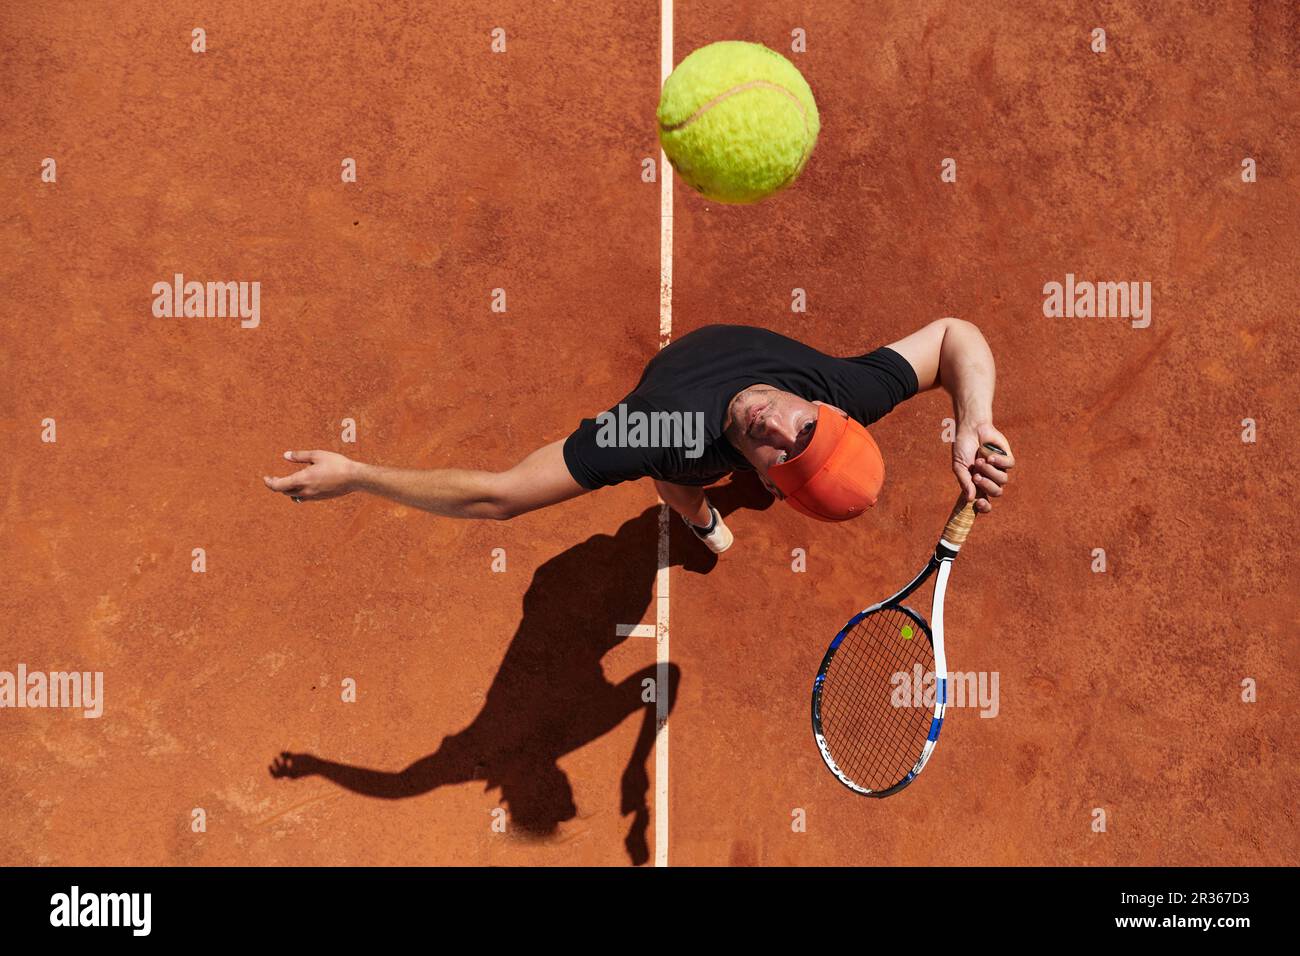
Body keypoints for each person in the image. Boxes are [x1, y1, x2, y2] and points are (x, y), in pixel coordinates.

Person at [262, 319, 1014, 551]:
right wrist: (974, 420)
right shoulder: (845, 391)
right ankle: (700, 514)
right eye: (805, 425)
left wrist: (356, 472)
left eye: (784, 455)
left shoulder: (656, 431)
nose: (776, 424)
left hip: (680, 443)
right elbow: (955, 338)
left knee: (679, 472)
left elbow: (499, 498)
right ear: (838, 413)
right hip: (689, 444)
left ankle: (698, 512)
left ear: (772, 483)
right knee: (681, 477)